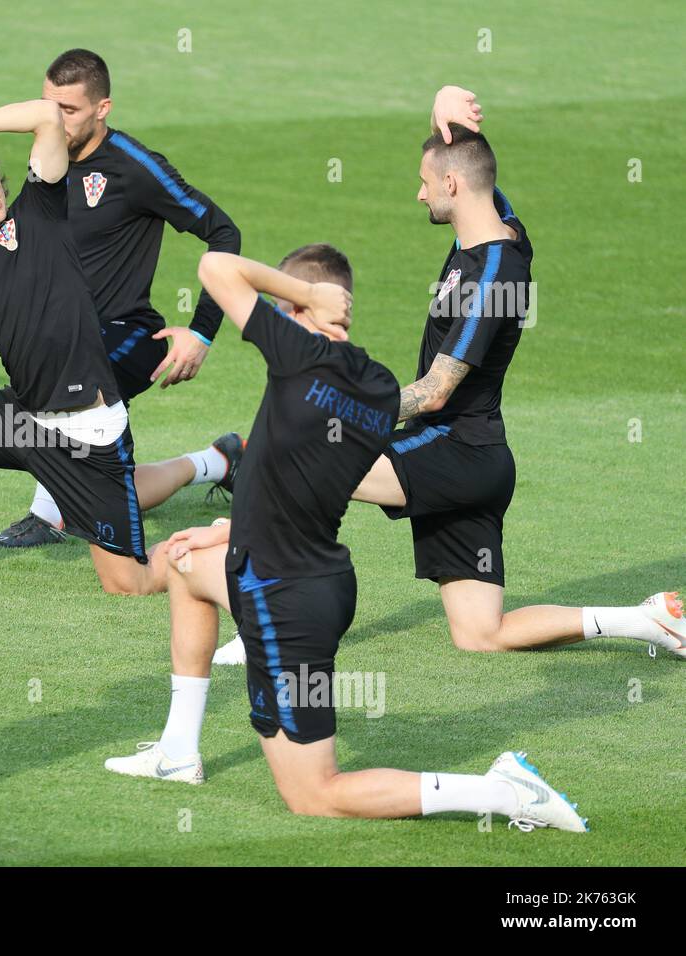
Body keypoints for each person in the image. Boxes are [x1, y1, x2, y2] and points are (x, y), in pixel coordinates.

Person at [105, 245, 588, 834]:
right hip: (306, 574)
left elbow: (216, 267)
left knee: (316, 794)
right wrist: (236, 526)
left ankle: (503, 792)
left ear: (298, 305)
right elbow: (309, 473)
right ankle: (177, 751)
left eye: (286, 302)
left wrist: (307, 299)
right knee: (187, 568)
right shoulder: (379, 389)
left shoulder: (298, 353)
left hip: (286, 597)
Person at [211, 86, 683, 665]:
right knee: (480, 632)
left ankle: (261, 624)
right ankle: (646, 620)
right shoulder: (500, 234)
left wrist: (341, 407)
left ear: (451, 186)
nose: (419, 191)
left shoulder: (493, 276)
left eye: (426, 181)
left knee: (295, 465)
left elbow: (435, 392)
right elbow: (479, 182)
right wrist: (442, 118)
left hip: (455, 450)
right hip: (476, 459)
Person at [0, 99, 238, 596]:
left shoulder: (40, 210)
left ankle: (217, 505)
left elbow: (46, 117)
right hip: (22, 425)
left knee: (129, 583)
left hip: (90, 434)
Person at [0, 49, 244, 548]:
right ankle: (220, 461)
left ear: (102, 109)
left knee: (71, 397)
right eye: (47, 106)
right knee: (100, 487)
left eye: (69, 111)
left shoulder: (135, 167)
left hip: (129, 335)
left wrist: (203, 330)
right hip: (67, 340)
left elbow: (223, 233)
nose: (54, 121)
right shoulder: (47, 163)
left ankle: (47, 517)